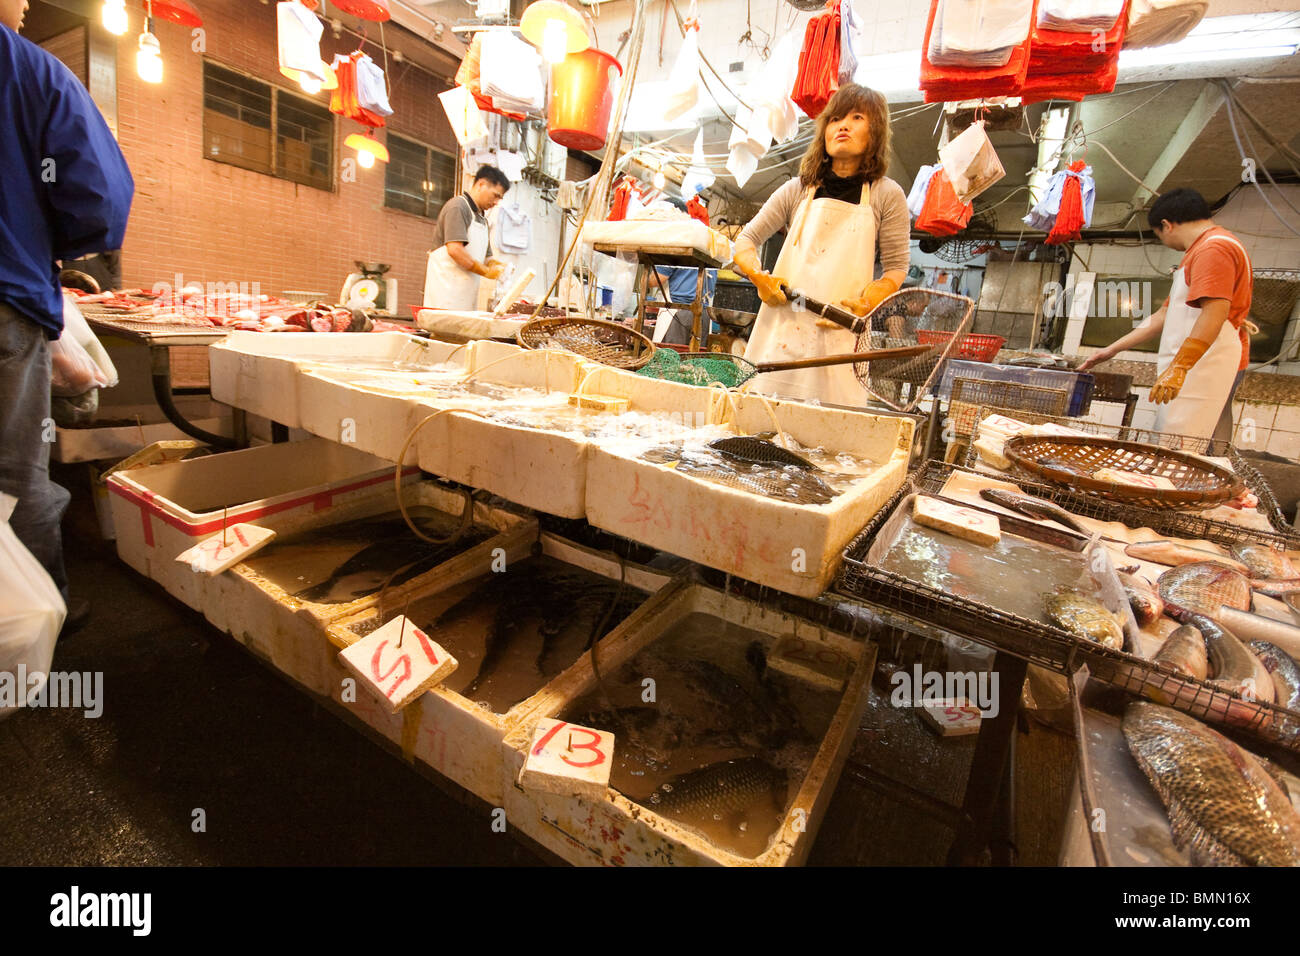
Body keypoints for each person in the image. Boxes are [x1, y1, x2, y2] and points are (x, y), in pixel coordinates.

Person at [1, 0, 133, 621]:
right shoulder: (32, 71)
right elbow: (98, 201)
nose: (27, 5)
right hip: (5, 299)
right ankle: (32, 625)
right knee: (12, 478)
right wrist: (43, 239)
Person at [731, 83, 910, 406]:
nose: (843, 125)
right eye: (835, 118)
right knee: (762, 423)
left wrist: (872, 298)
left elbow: (897, 268)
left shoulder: (887, 194)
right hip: (783, 329)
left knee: (831, 436)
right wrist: (759, 277)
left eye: (857, 117)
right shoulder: (796, 189)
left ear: (876, 132)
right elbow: (744, 241)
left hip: (840, 335)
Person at [1079, 188, 1253, 442]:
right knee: (1173, 436)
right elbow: (1164, 314)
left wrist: (1180, 366)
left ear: (1166, 225)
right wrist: (1110, 350)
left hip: (1207, 363)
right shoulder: (1197, 251)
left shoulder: (1214, 249)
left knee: (1188, 442)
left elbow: (1215, 312)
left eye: (1158, 235)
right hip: (1195, 364)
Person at [423, 165, 510, 311]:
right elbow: (455, 250)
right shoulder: (458, 207)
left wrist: (498, 267)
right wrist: (485, 271)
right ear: (481, 185)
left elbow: (487, 258)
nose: (496, 203)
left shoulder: (482, 219)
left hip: (466, 302)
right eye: (495, 195)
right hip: (445, 300)